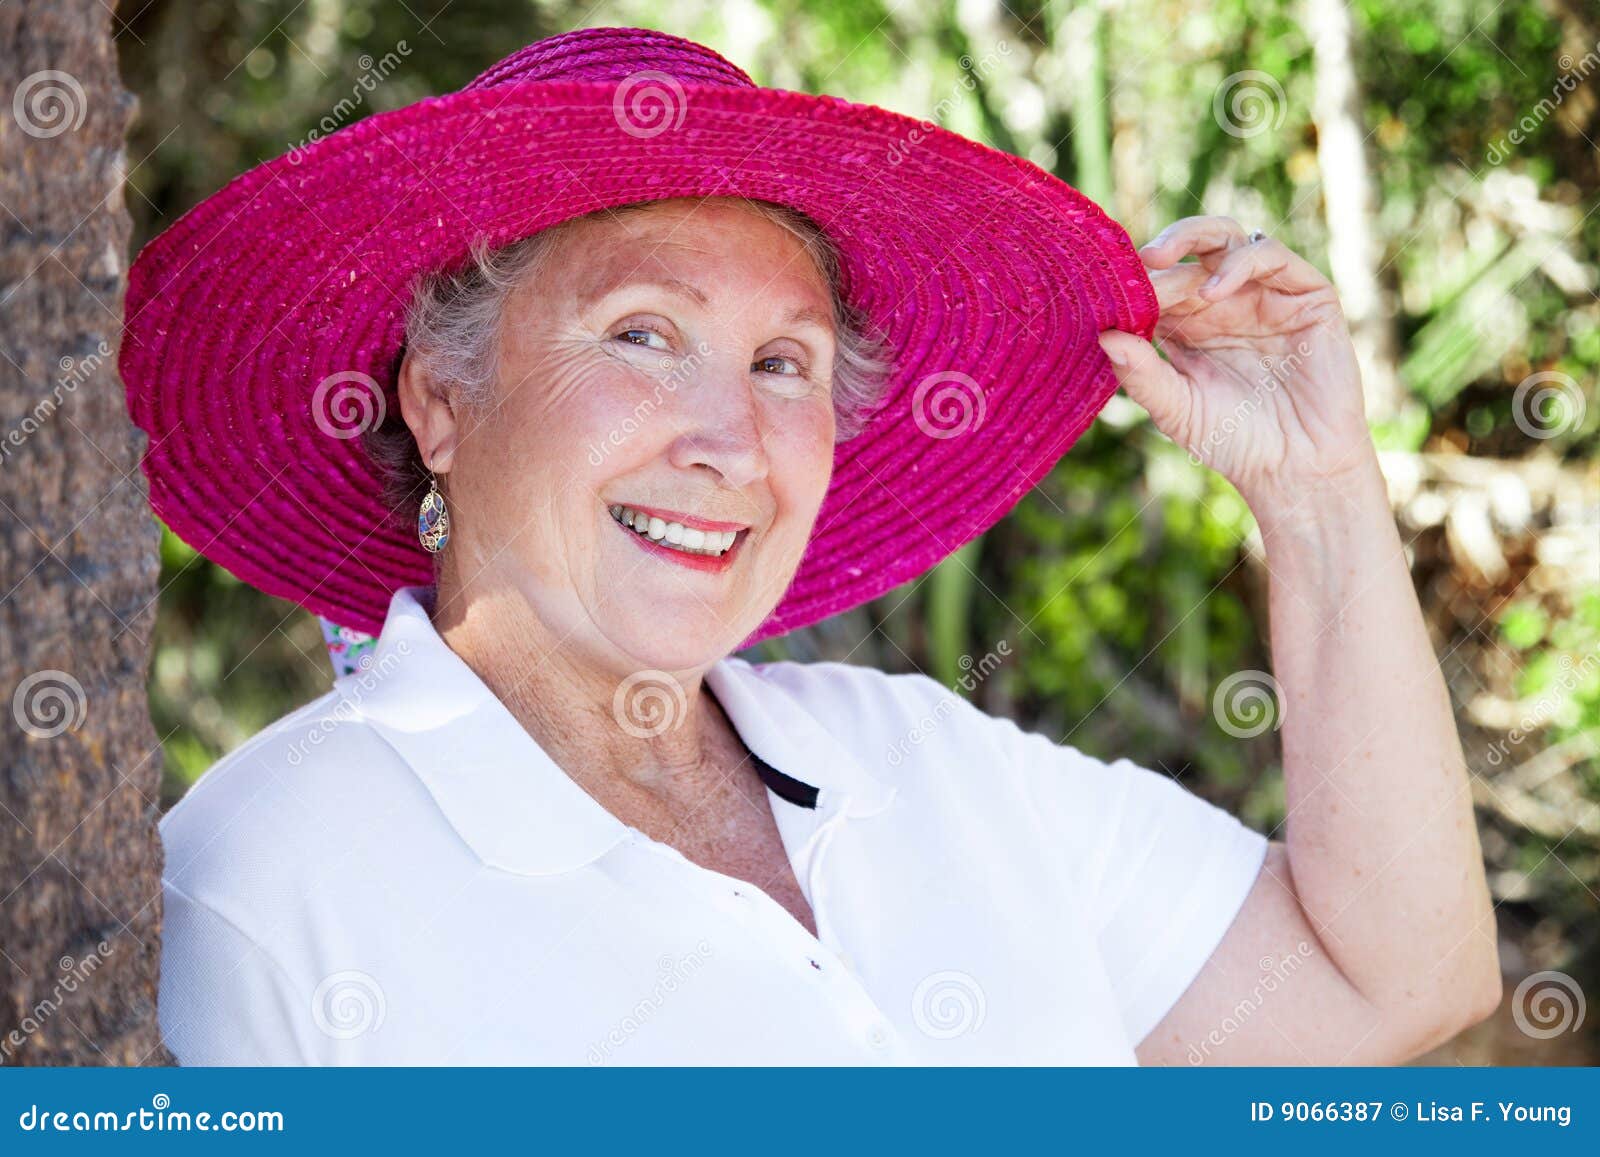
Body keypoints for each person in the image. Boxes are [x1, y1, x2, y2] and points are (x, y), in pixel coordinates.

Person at [120, 26, 1498, 1065]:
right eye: (642, 335)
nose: (728, 435)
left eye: (785, 361)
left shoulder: (924, 758)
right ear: (439, 399)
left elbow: (1393, 977)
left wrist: (1315, 493)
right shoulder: (259, 880)